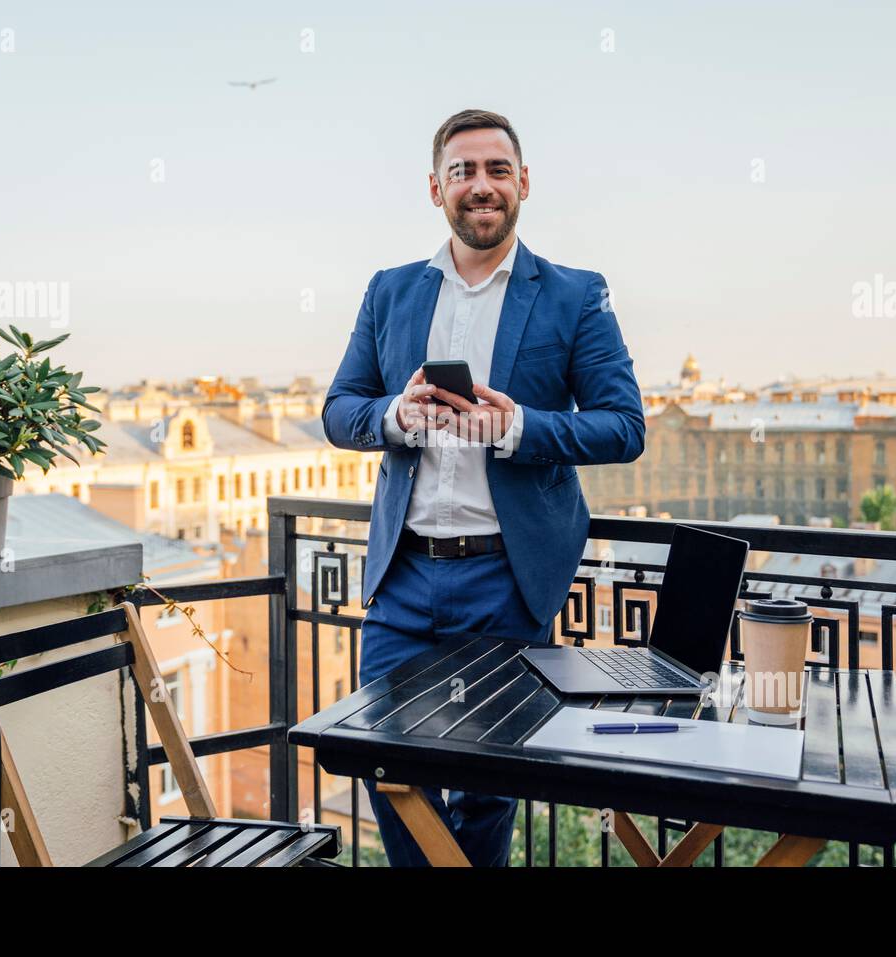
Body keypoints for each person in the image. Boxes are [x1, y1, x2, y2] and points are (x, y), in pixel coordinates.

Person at [322, 108, 645, 865]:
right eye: (463, 171)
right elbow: (339, 410)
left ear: (524, 183)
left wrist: (519, 427)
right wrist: (394, 414)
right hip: (401, 581)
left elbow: (623, 425)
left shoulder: (574, 294)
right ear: (436, 189)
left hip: (506, 579)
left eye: (497, 170)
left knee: (488, 784)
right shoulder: (390, 291)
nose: (481, 186)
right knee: (388, 763)